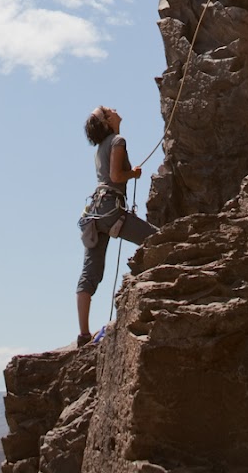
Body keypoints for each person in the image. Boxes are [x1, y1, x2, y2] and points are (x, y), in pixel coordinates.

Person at [76, 105, 153, 345]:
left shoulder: (99, 149)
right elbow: (117, 177)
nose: (113, 108)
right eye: (107, 110)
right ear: (108, 122)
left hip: (95, 213)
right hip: (111, 209)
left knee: (90, 274)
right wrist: (135, 174)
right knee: (158, 240)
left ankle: (84, 335)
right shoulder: (118, 140)